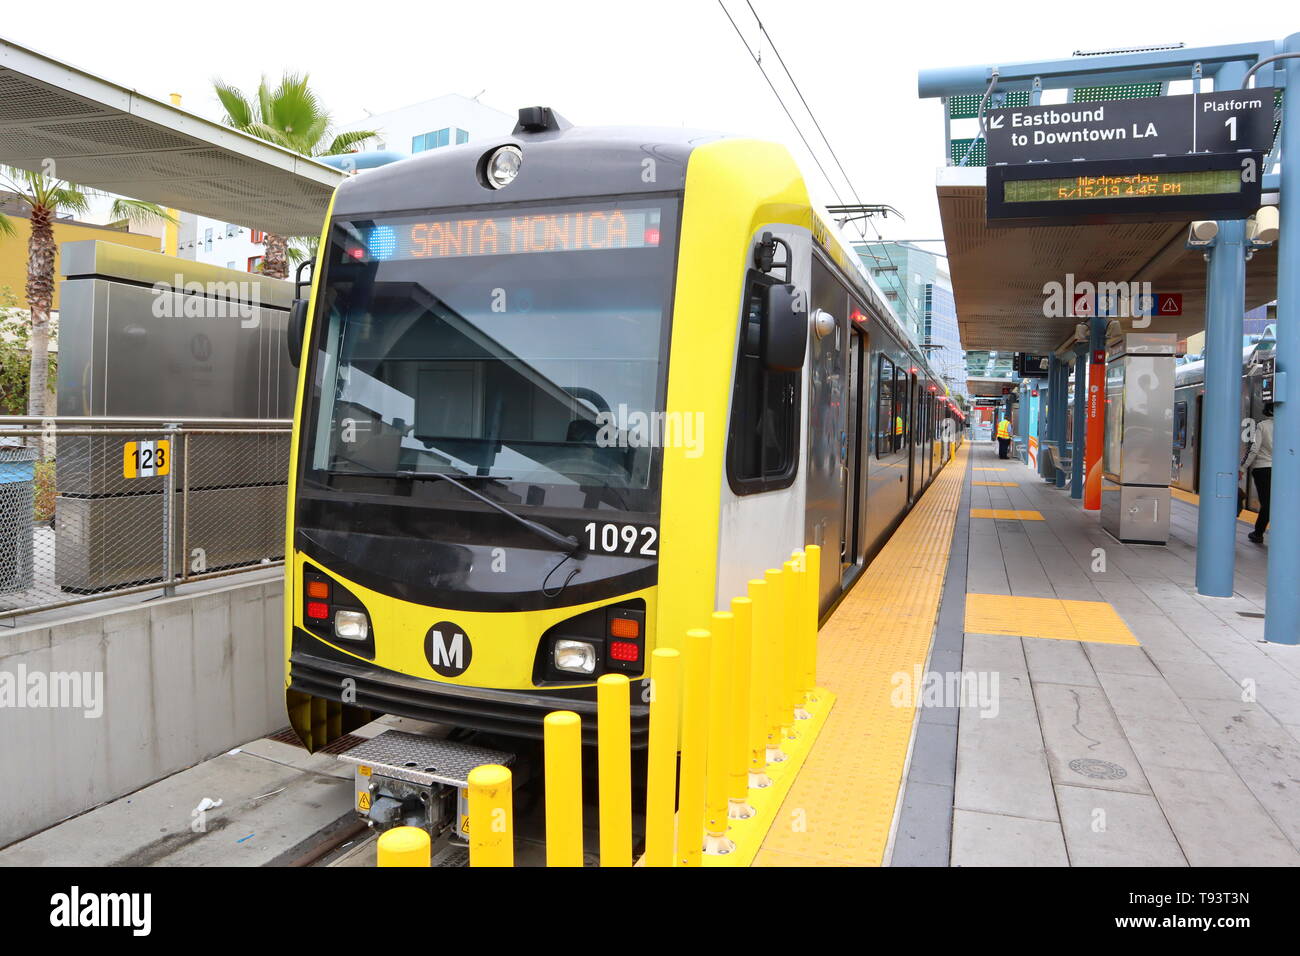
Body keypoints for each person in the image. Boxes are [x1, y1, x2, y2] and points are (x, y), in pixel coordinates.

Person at [1242, 403, 1273, 544]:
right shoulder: (1289, 424)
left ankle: (1258, 532)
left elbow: (1254, 449)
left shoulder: (1262, 425)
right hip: (1282, 471)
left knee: (1267, 502)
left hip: (1262, 469)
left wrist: (1242, 468)